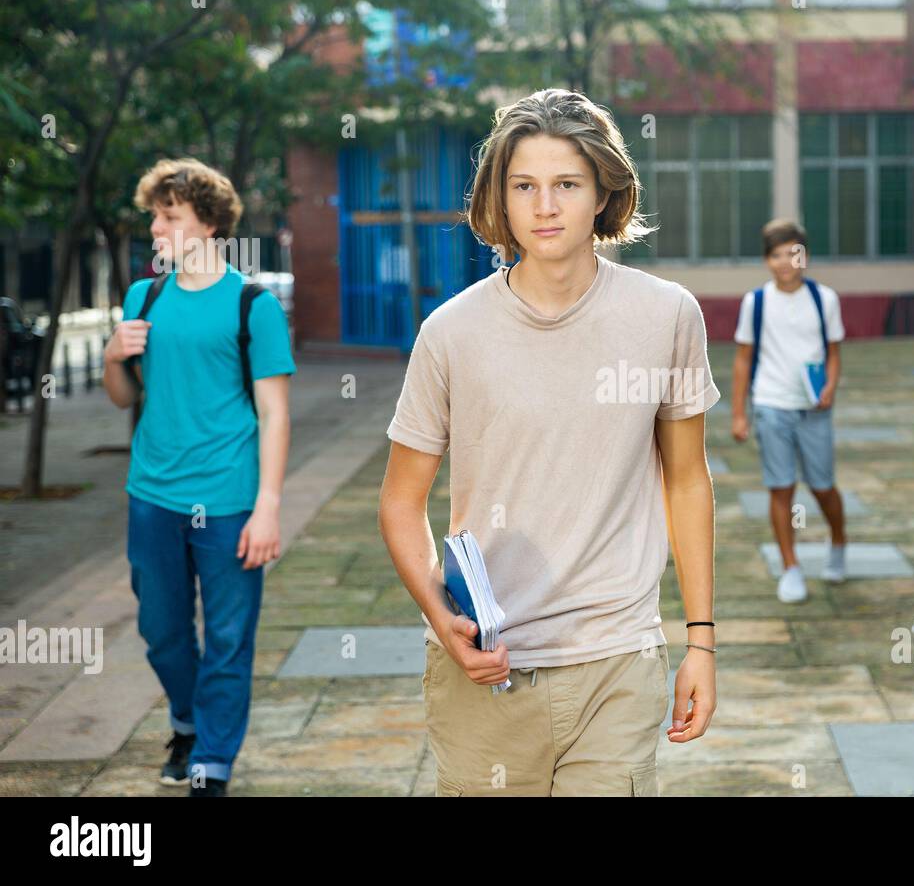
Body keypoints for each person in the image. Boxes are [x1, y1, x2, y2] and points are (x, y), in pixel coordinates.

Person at [379, 89, 721, 796]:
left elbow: (687, 481)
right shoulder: (451, 332)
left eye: (566, 184)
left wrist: (702, 641)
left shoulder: (667, 317)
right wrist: (444, 623)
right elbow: (400, 502)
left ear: (602, 193)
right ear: (499, 201)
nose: (544, 206)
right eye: (524, 187)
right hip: (488, 672)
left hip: (617, 660)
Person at [103, 158, 295, 795]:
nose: (156, 228)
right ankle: (187, 720)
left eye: (170, 216)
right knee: (161, 631)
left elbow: (273, 412)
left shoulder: (252, 306)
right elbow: (122, 397)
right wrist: (112, 355)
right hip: (153, 494)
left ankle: (212, 758)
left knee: (230, 637)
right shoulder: (143, 298)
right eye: (155, 215)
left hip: (230, 497)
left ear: (208, 224)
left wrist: (268, 505)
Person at [731, 219, 847, 603]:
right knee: (780, 488)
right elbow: (743, 360)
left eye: (793, 253)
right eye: (777, 254)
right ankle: (791, 567)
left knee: (823, 487)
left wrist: (830, 386)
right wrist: (739, 414)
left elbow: (833, 353)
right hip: (771, 405)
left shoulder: (824, 299)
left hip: (814, 408)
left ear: (806, 256)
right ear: (767, 260)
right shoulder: (757, 302)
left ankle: (838, 542)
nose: (786, 261)